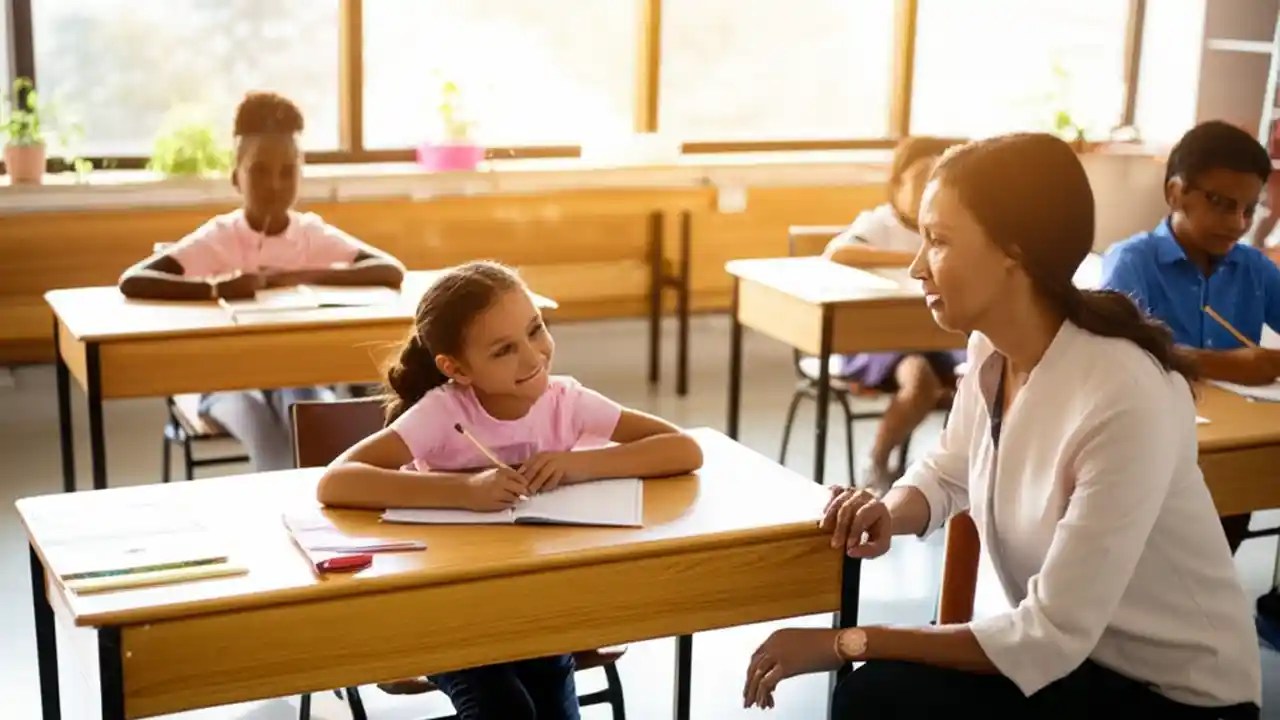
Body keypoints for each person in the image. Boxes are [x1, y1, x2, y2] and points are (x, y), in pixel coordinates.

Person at [741, 134, 1260, 718]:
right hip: (1081, 664)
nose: (916, 266)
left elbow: (1044, 636)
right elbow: (949, 469)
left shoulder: (1123, 395)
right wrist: (890, 511)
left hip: (1176, 697)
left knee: (879, 693)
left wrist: (844, 642)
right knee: (880, 693)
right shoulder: (992, 348)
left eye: (937, 241)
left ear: (1015, 250)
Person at [318, 260, 702, 720]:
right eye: (503, 350)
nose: (533, 356)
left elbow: (683, 450)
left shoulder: (566, 401)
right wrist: (464, 490)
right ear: (456, 367)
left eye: (535, 329)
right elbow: (336, 481)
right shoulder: (443, 413)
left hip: (540, 606)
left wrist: (577, 464)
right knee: (507, 712)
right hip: (447, 615)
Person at [117, 91, 405, 472]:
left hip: (297, 371)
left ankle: (319, 511)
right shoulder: (220, 236)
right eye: (259, 171)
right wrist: (217, 289)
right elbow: (134, 280)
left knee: (310, 418)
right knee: (265, 432)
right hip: (225, 383)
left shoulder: (308, 233)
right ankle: (282, 517)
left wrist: (295, 275)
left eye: (288, 172)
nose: (274, 184)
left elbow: (389, 269)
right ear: (236, 176)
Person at [1101, 120, 1280, 556]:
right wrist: (1225, 363)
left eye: (1248, 209)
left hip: (1235, 438)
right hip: (1155, 437)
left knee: (1224, 530)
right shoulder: (1132, 261)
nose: (1237, 223)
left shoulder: (1253, 268)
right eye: (1221, 204)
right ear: (1175, 192)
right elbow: (1118, 355)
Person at [818, 136, 964, 493]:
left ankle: (943, 475)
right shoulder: (879, 224)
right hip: (876, 342)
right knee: (920, 383)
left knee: (976, 377)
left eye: (934, 180)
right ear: (895, 185)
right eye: (917, 180)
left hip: (933, 337)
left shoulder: (945, 228)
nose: (925, 190)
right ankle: (877, 461)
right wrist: (920, 258)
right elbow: (838, 253)